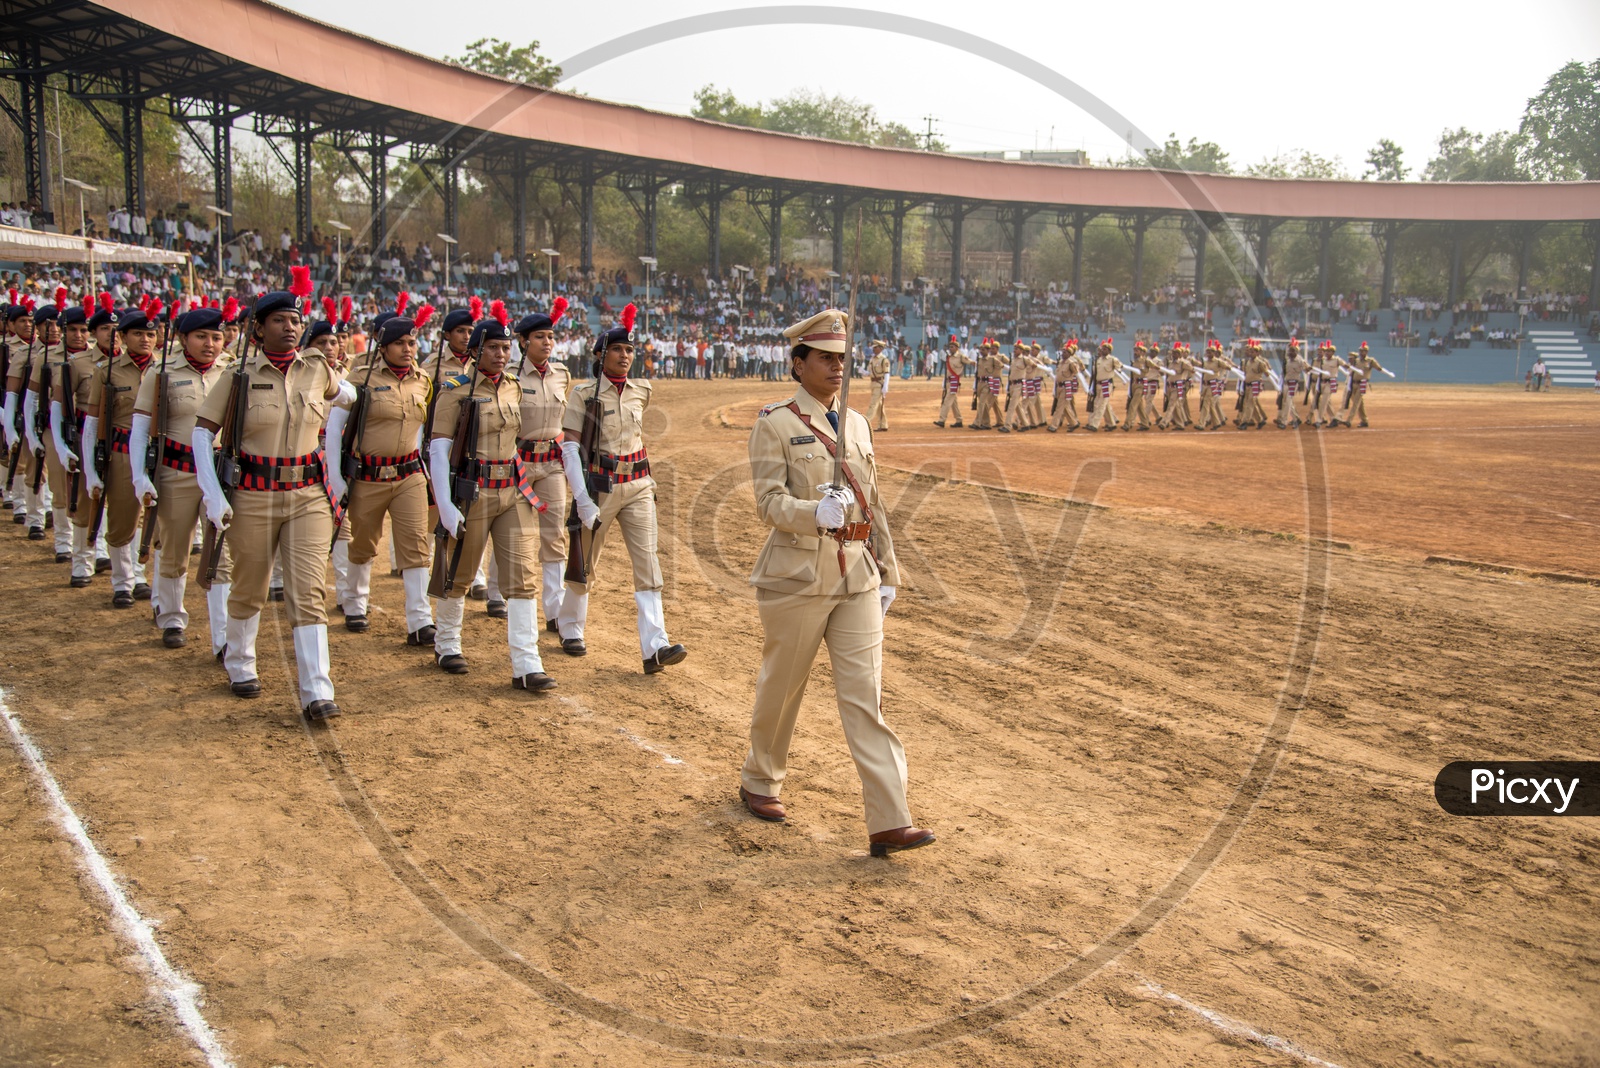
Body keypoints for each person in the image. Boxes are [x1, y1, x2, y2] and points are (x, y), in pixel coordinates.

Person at [738, 307, 932, 857]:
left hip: (857, 576)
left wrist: (888, 567)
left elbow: (873, 501)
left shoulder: (858, 423)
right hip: (796, 575)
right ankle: (761, 778)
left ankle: (890, 819)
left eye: (843, 359)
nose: (837, 368)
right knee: (784, 687)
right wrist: (810, 512)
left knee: (865, 698)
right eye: (825, 358)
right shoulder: (775, 423)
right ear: (798, 364)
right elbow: (767, 502)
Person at [192, 272, 358, 721]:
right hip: (252, 495)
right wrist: (213, 496)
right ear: (257, 329)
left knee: (308, 590)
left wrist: (346, 389)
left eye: (296, 320)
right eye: (280, 320)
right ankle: (241, 663)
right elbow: (201, 433)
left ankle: (317, 690)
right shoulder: (236, 376)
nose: (290, 327)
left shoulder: (317, 368)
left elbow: (346, 394)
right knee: (250, 586)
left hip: (307, 494)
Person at [427, 301, 556, 690]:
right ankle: (447, 643)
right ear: (475, 351)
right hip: (473, 490)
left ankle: (526, 662)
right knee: (460, 572)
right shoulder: (455, 390)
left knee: (522, 576)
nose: (501, 355)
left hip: (512, 490)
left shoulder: (514, 388)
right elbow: (437, 448)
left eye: (505, 348)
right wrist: (445, 504)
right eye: (493, 348)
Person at [557, 303, 687, 674]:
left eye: (630, 350)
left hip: (639, 485)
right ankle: (570, 627)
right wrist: (581, 498)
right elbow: (569, 446)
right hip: (600, 485)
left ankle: (655, 646)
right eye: (617, 349)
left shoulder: (641, 390)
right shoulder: (582, 394)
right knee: (585, 561)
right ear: (600, 354)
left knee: (648, 562)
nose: (625, 355)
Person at [326, 301, 436, 646]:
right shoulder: (359, 379)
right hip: (368, 476)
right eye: (400, 343)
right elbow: (335, 429)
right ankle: (356, 603)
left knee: (416, 547)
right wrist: (337, 478)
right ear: (383, 346)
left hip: (408, 475)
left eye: (412, 343)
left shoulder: (422, 381)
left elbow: (421, 428)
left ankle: (420, 620)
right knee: (363, 543)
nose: (407, 349)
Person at [128, 305, 232, 652]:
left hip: (219, 474)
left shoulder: (232, 370)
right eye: (201, 336)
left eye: (216, 337)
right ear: (184, 338)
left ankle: (223, 637)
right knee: (174, 548)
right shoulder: (162, 372)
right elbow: (141, 429)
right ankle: (172, 615)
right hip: (177, 473)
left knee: (221, 553)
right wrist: (140, 475)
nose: (210, 344)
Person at [499, 297, 572, 630]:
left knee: (554, 534)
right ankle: (497, 592)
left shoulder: (561, 375)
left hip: (552, 464)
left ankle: (554, 610)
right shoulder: (510, 378)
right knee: (512, 531)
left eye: (551, 337)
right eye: (540, 337)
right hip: (519, 464)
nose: (547, 343)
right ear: (523, 341)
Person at [84, 303, 161, 607]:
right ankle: (122, 580)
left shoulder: (165, 369)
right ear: (123, 336)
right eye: (138, 333)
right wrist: (92, 468)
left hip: (157, 455)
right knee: (122, 518)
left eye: (150, 334)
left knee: (154, 518)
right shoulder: (108, 371)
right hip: (121, 453)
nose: (145, 339)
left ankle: (140, 574)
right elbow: (93, 424)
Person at [1046, 338, 1085, 432]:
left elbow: (1077, 373)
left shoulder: (1071, 363)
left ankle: (1054, 425)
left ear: (1069, 354)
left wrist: (1084, 386)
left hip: (1066, 386)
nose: (1063, 354)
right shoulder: (1060, 362)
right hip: (1058, 386)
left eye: (1065, 352)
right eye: (1062, 352)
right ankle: (1074, 423)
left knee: (1059, 407)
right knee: (1066, 407)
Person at [1084, 338, 1123, 432]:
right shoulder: (1098, 360)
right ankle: (1111, 423)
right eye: (1102, 349)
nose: (1102, 350)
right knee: (1101, 404)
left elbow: (1120, 368)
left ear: (1109, 351)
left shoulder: (1113, 360)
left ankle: (1094, 424)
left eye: (1104, 349)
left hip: (1106, 384)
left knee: (1100, 405)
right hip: (1097, 384)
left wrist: (1120, 371)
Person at [934, 335, 967, 428]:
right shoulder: (948, 357)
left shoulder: (961, 356)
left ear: (957, 347)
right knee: (953, 403)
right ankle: (959, 419)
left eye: (952, 347)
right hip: (948, 381)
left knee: (947, 401)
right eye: (950, 347)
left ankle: (942, 420)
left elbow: (970, 362)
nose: (950, 348)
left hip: (954, 381)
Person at [864, 339, 890, 431]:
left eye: (875, 347)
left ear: (880, 348)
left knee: (873, 404)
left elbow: (887, 373)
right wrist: (862, 371)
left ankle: (865, 423)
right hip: (873, 384)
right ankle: (883, 425)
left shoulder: (884, 360)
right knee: (879, 406)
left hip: (880, 384)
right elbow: (869, 372)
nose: (873, 349)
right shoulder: (872, 359)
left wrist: (886, 386)